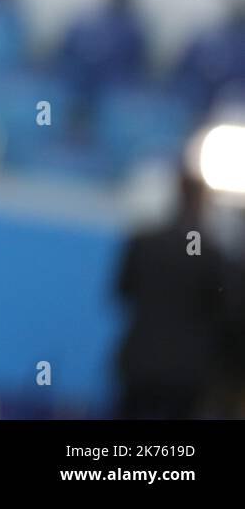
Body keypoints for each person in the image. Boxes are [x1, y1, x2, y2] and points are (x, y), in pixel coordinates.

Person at [113, 162, 230, 418]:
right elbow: (225, 311)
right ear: (202, 202)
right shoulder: (211, 255)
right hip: (188, 371)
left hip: (140, 362)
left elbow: (120, 292)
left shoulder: (143, 243)